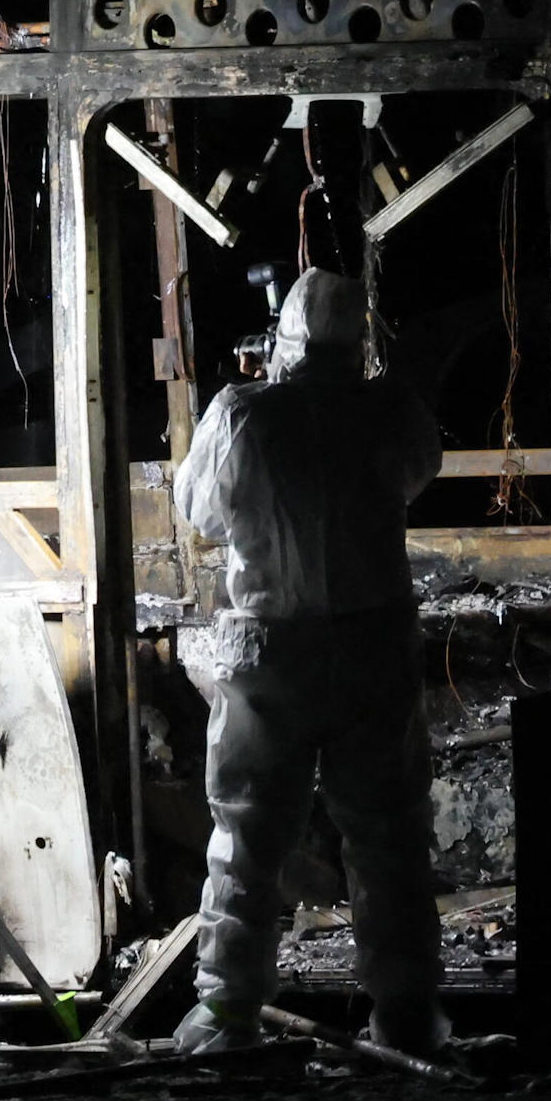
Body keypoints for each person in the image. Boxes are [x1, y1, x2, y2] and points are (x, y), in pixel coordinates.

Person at [170, 270, 451, 1058]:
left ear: (284, 339)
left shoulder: (243, 415)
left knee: (249, 838)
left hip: (273, 649)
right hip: (373, 645)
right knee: (389, 838)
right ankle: (405, 1019)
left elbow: (197, 510)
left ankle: (228, 1017)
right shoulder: (388, 412)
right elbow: (417, 472)